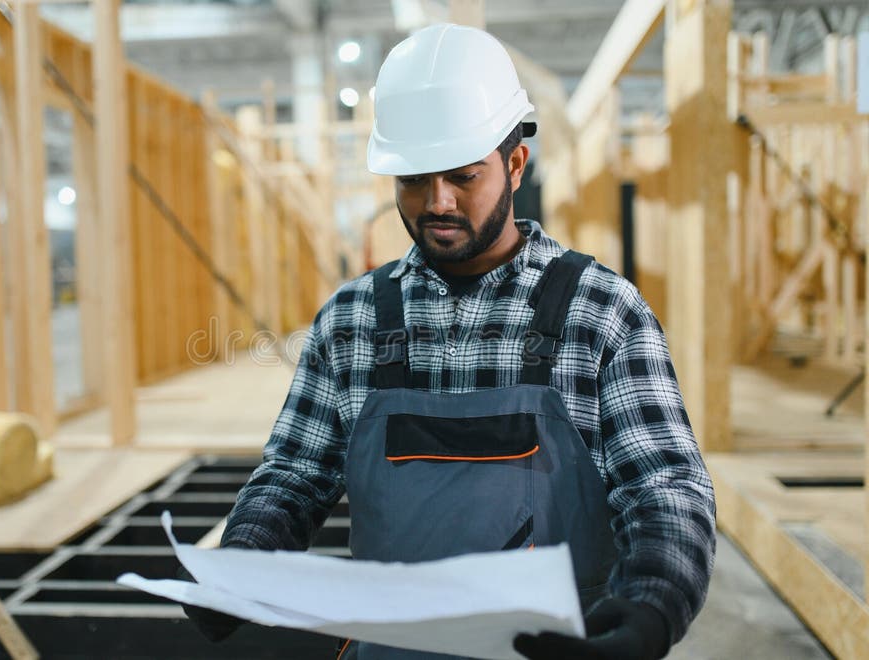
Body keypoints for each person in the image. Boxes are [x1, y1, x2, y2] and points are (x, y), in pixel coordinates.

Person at [181, 22, 716, 660]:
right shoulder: (352, 320)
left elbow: (666, 490)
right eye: (413, 179)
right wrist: (245, 554)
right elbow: (295, 475)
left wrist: (652, 604)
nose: (437, 202)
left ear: (516, 163)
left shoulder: (600, 313)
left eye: (462, 176)